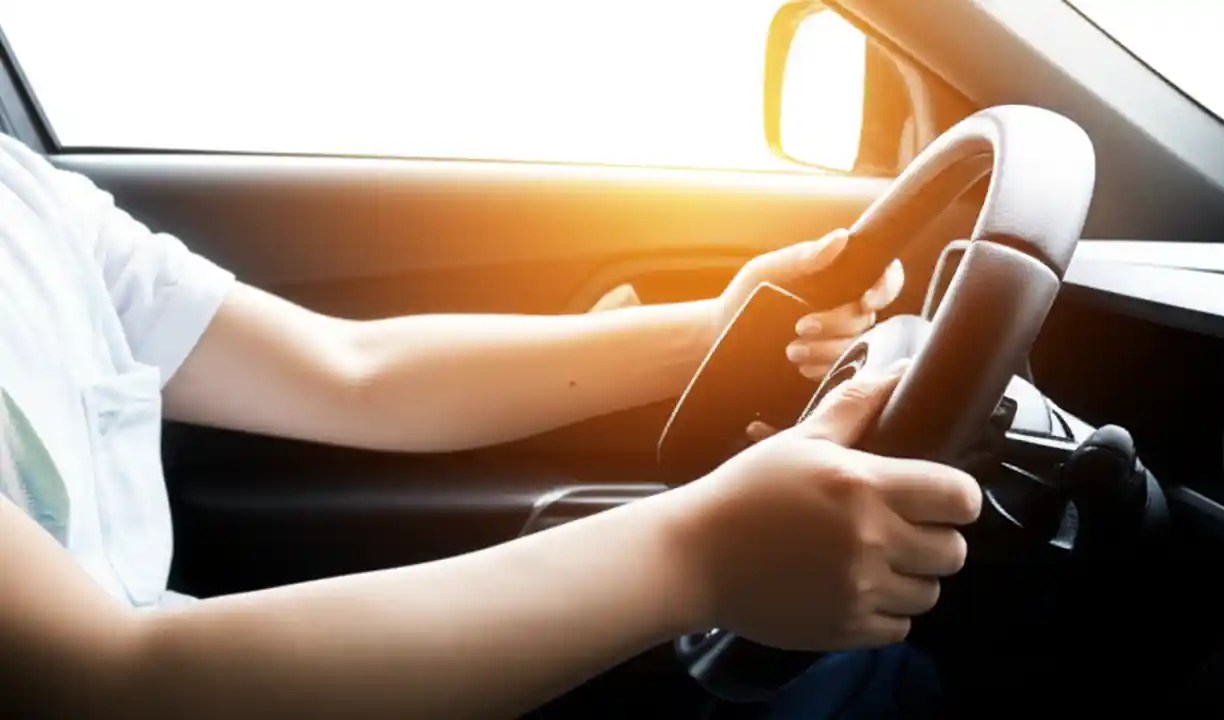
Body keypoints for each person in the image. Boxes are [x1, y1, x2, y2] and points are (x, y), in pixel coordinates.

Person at [0, 131, 981, 718]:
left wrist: (717, 327)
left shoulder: (23, 195)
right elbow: (102, 693)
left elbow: (353, 373)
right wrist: (702, 556)